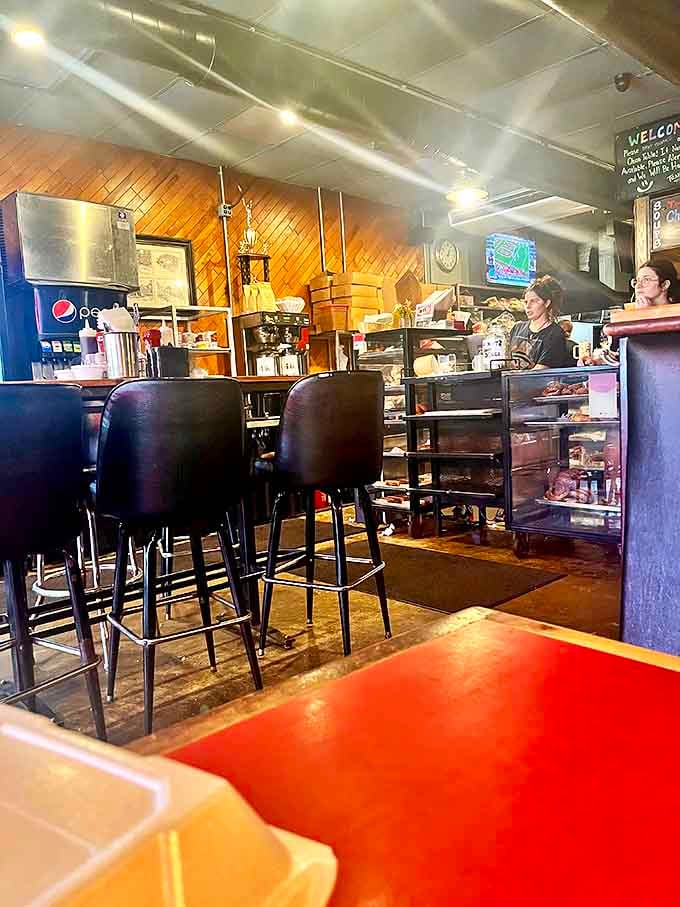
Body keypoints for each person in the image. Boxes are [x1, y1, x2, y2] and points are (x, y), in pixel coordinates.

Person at [509, 275, 569, 370]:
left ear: (546, 303)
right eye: (526, 302)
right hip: (511, 382)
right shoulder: (517, 328)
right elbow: (507, 361)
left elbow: (540, 371)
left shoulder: (555, 334)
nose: (528, 306)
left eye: (533, 301)